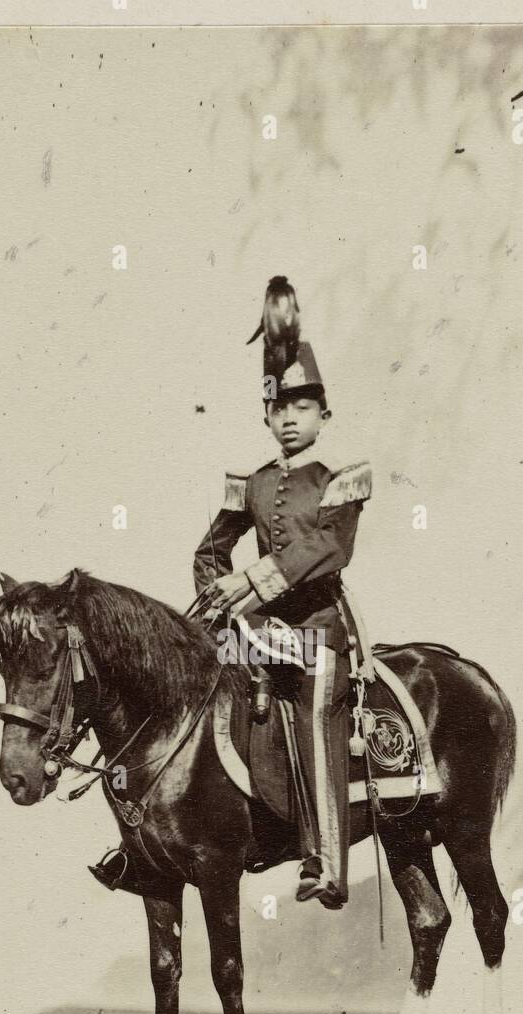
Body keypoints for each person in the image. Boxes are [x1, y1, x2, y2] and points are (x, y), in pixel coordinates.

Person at [192, 290, 371, 909]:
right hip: (259, 630)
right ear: (266, 416)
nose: (290, 417)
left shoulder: (340, 481)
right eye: (279, 407)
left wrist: (255, 578)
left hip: (321, 629)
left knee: (318, 713)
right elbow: (210, 553)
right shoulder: (251, 484)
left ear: (324, 414)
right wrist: (221, 599)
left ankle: (326, 862)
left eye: (302, 405)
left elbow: (330, 549)